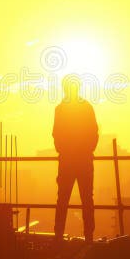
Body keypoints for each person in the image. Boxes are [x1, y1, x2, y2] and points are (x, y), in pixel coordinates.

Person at [52, 74, 99, 243]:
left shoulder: (62, 109)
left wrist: (65, 150)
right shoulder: (85, 107)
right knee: (85, 199)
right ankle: (88, 237)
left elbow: (56, 133)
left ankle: (59, 236)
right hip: (81, 159)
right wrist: (86, 150)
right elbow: (94, 132)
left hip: (70, 160)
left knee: (64, 199)